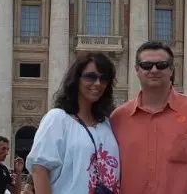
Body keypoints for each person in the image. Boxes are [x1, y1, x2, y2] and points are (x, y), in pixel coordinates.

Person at [110, 41, 187, 194]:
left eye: (161, 65)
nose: (154, 70)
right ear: (137, 70)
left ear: (171, 69)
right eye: (146, 65)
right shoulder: (118, 117)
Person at [26, 52, 120, 194]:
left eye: (104, 78)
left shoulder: (107, 124)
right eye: (91, 76)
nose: (98, 83)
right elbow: (39, 169)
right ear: (76, 79)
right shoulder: (57, 119)